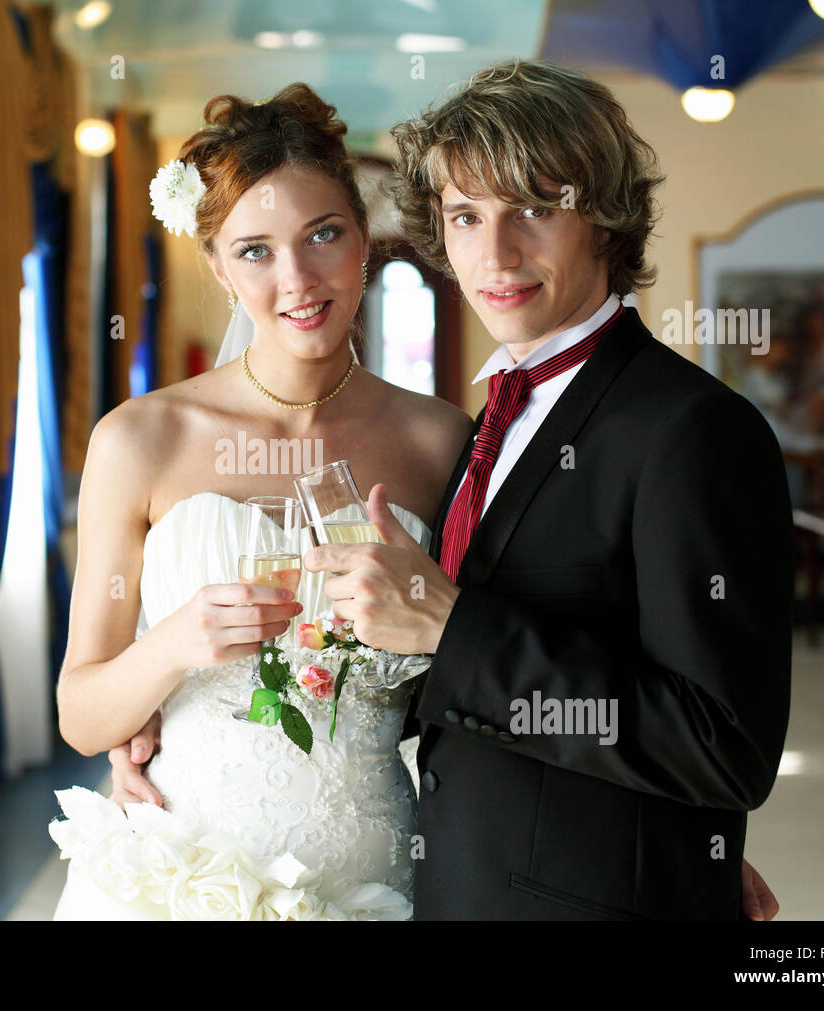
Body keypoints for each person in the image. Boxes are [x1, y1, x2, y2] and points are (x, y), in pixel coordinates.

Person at [109, 61, 788, 921]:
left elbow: (724, 743)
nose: (495, 255)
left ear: (606, 218)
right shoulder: (489, 426)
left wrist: (452, 624)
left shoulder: (691, 430)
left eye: (536, 209)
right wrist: (176, 734)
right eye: (467, 216)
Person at [50, 83, 472, 919]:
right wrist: (171, 646)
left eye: (324, 235)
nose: (298, 279)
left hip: (374, 877)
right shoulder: (141, 439)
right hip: (176, 875)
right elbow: (81, 711)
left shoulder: (442, 442)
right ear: (215, 264)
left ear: (363, 237)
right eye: (254, 250)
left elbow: (483, 681)